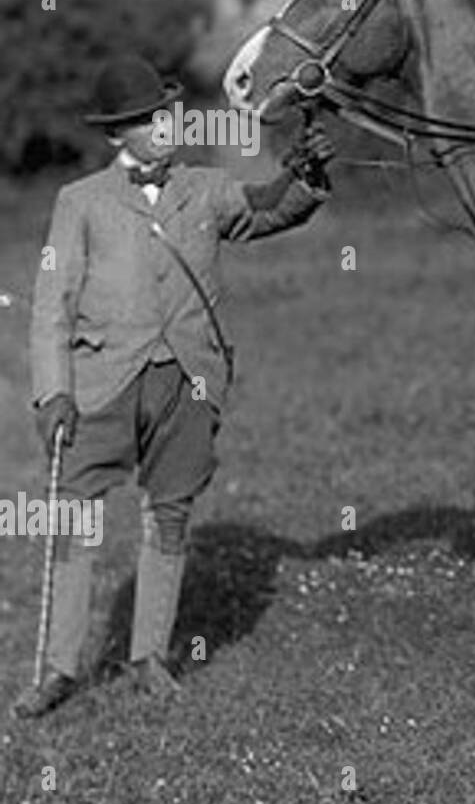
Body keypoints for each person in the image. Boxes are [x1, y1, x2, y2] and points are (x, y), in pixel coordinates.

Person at [12, 56, 334, 718]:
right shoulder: (79, 202)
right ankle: (60, 668)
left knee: (170, 513)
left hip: (187, 381)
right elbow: (51, 305)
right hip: (100, 385)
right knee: (73, 519)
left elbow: (268, 212)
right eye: (146, 120)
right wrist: (53, 394)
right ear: (115, 134)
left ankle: (149, 658)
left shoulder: (206, 188)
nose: (164, 127)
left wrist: (304, 175)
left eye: (167, 114)